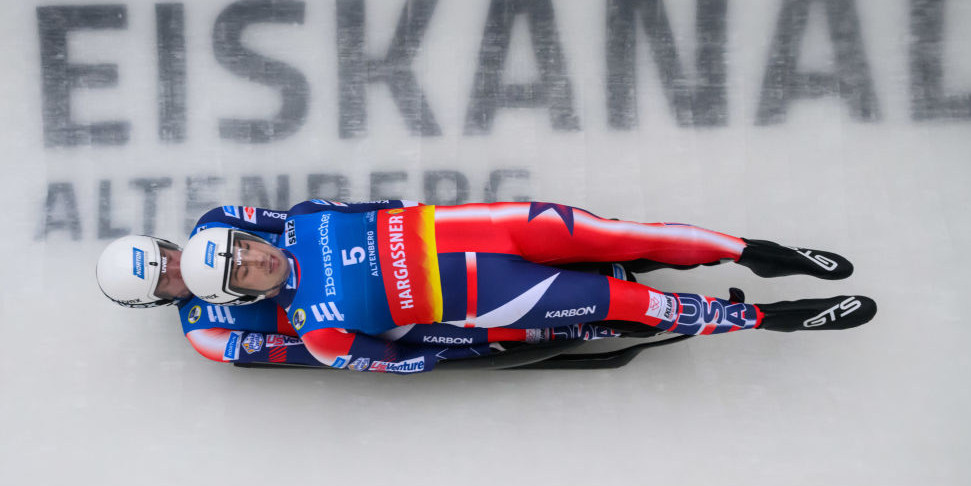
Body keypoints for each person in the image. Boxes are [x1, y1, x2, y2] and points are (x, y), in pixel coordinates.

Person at [179, 200, 877, 374]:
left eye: (243, 247)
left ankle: (757, 252)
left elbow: (379, 205)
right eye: (240, 270)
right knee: (644, 304)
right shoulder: (317, 330)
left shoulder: (304, 218)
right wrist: (477, 344)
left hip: (498, 226)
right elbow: (409, 358)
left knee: (623, 234)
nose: (253, 259)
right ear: (245, 296)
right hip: (499, 292)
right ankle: (773, 318)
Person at [96, 201, 627, 368]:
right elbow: (290, 353)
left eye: (164, 257)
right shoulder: (204, 334)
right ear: (156, 302)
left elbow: (292, 226)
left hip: (354, 269)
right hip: (346, 319)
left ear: (164, 242)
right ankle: (564, 324)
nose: (172, 269)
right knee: (443, 328)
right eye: (163, 281)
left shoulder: (216, 224)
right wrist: (355, 345)